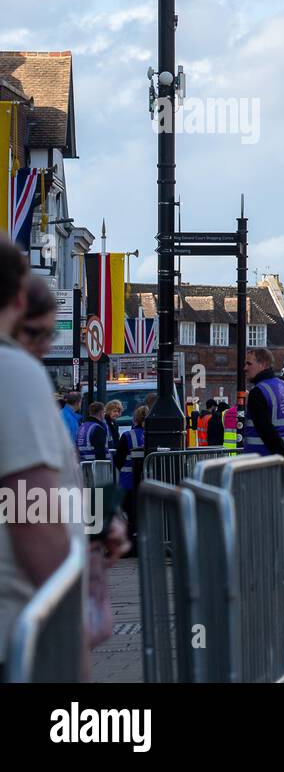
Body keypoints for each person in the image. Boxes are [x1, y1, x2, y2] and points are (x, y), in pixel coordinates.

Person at [0, 240, 94, 677]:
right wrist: (70, 626)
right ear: (18, 299)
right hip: (18, 630)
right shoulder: (14, 373)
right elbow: (30, 512)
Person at [243, 347, 284, 586]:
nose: (245, 368)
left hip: (262, 463)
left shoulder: (258, 393)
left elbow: (265, 430)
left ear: (262, 364)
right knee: (279, 515)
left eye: (248, 363)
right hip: (280, 463)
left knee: (266, 518)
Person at [115, 405, 149, 544]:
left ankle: (131, 543)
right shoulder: (151, 434)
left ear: (135, 419)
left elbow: (118, 459)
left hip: (128, 482)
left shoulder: (127, 435)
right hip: (148, 483)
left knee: (129, 514)